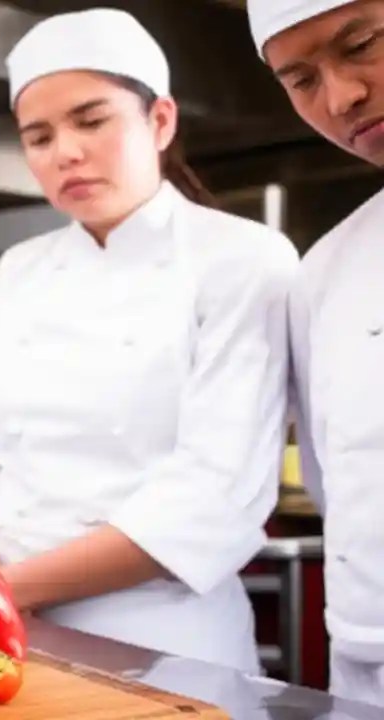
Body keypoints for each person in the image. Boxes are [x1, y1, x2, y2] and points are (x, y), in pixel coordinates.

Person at [0, 8, 299, 673]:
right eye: (38, 136)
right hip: (3, 632)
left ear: (160, 120)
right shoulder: (22, 269)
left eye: (91, 121)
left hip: (167, 638)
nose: (65, 151)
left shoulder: (245, 259)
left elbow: (212, 492)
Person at [248, 0, 384, 704]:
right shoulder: (325, 272)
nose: (341, 97)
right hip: (364, 663)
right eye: (300, 80)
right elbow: (336, 478)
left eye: (362, 43)